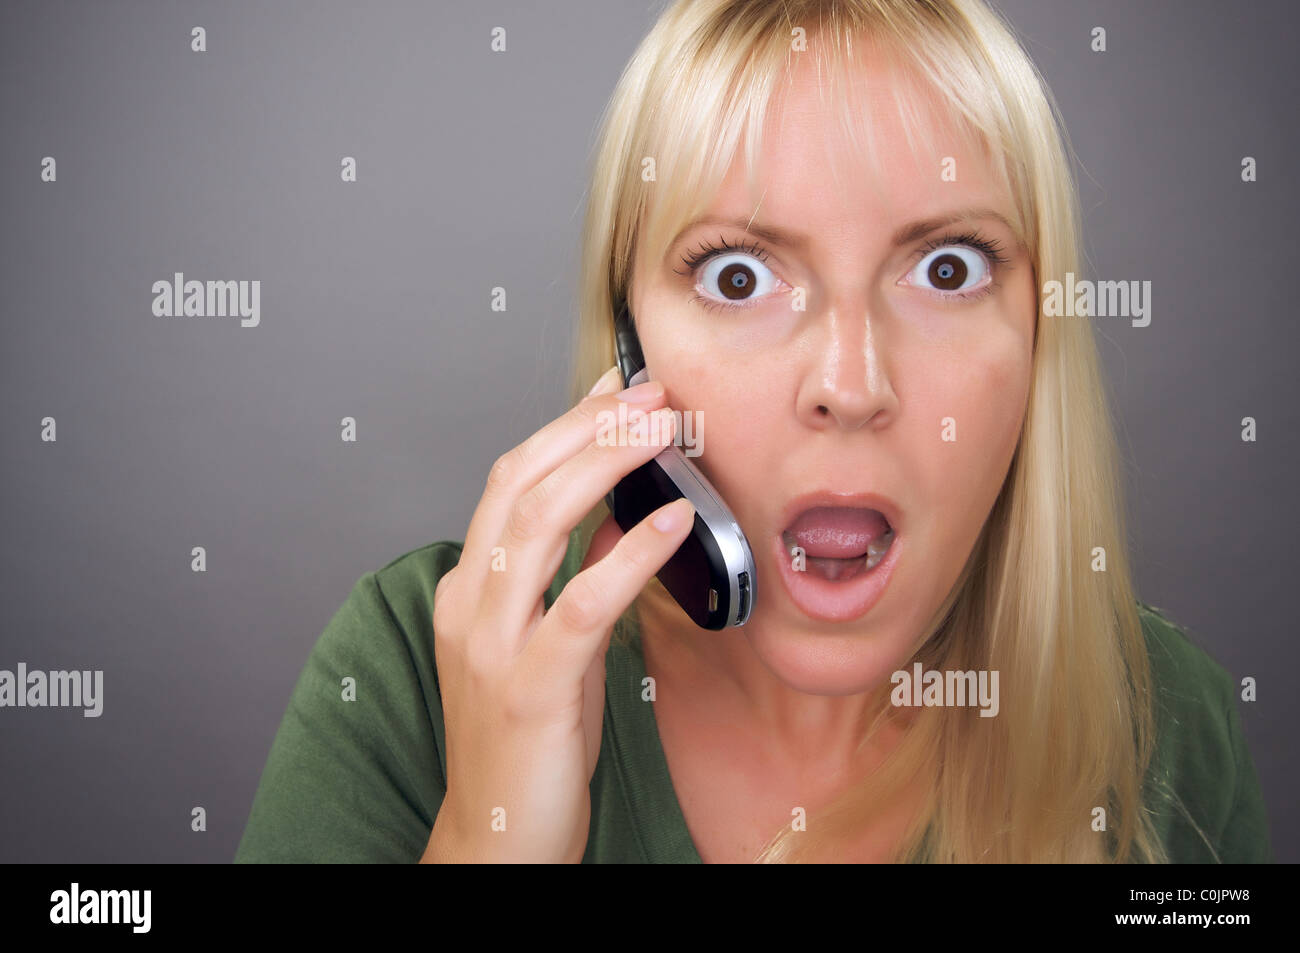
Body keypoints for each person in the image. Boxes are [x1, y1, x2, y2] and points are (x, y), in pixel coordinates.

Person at [235, 0, 1271, 863]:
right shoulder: (416, 668)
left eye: (946, 267)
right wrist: (485, 835)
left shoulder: (1164, 721)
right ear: (630, 349)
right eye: (738, 276)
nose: (849, 383)